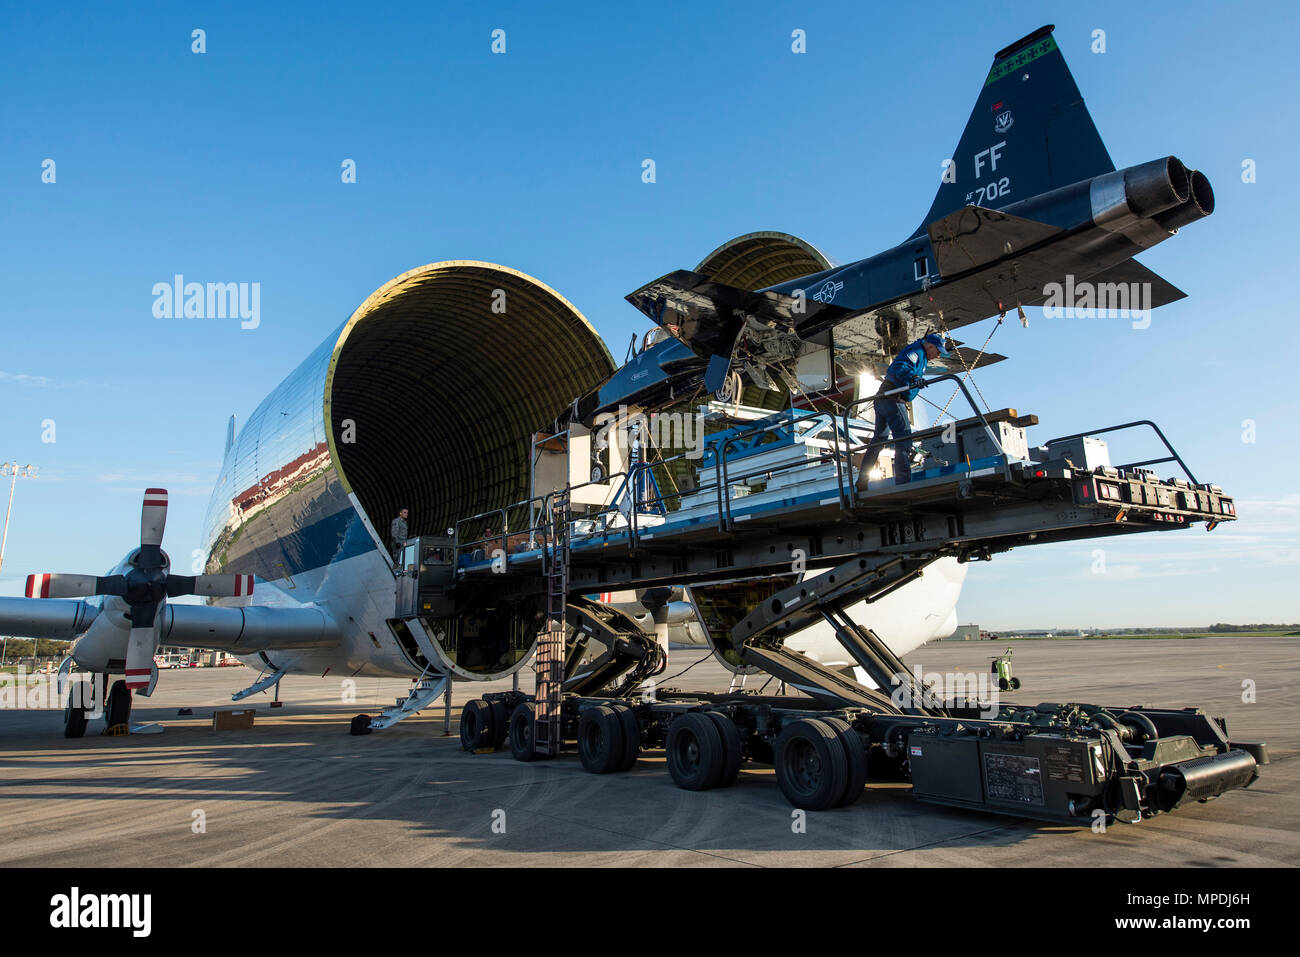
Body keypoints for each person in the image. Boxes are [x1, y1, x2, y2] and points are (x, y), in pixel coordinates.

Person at [856, 332, 950, 490]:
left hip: (883, 399)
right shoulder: (916, 352)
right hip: (892, 399)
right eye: (938, 351)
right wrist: (914, 378)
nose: (938, 355)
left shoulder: (921, 355)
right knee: (904, 440)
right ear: (930, 346)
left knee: (878, 441)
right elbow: (900, 367)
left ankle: (862, 481)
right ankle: (904, 483)